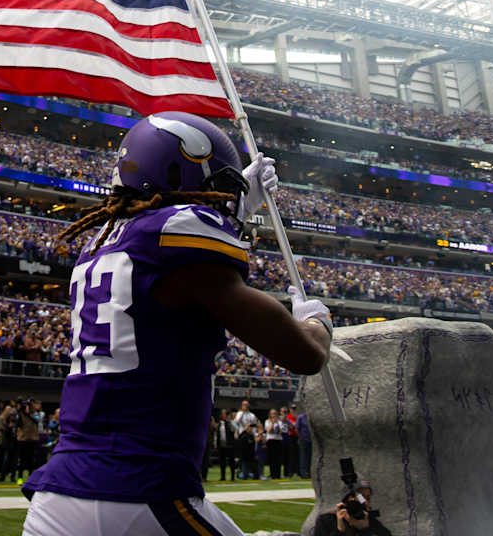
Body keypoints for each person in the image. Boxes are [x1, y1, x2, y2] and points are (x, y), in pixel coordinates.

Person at [22, 113, 332, 536]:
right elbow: (304, 354)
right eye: (216, 185)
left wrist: (240, 204)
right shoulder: (179, 233)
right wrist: (317, 324)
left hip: (58, 495)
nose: (222, 199)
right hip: (139, 487)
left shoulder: (101, 246)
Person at [314, 482, 391, 536]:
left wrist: (364, 529)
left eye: (368, 498)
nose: (365, 502)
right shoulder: (326, 520)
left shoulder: (368, 519)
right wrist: (340, 530)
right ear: (348, 499)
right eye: (361, 498)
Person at [215, 409, 238, 481]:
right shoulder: (219, 423)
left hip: (230, 445)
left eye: (225, 414)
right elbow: (217, 435)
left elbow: (235, 429)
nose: (223, 415)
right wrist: (216, 444)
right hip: (221, 445)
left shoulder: (230, 422)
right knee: (222, 462)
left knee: (231, 461)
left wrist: (230, 421)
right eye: (222, 414)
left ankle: (232, 477)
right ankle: (223, 477)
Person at [297, 410, 312, 479]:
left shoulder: (311, 416)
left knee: (309, 457)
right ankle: (303, 473)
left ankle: (308, 472)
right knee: (303, 456)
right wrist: (300, 438)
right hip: (303, 440)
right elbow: (297, 428)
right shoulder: (301, 417)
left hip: (310, 440)